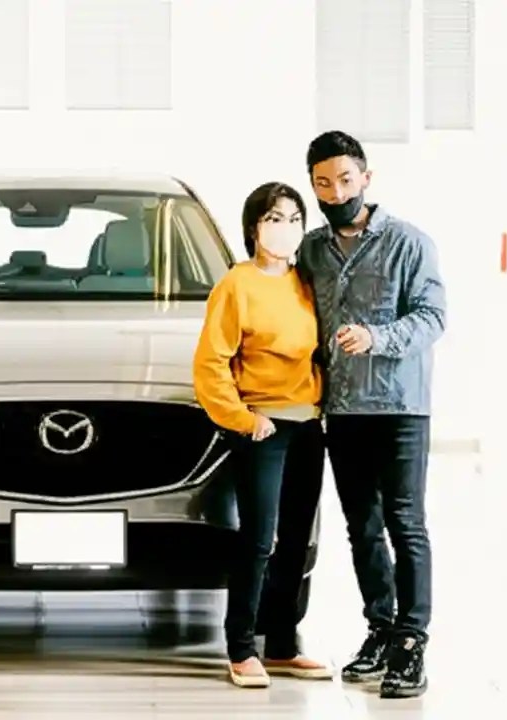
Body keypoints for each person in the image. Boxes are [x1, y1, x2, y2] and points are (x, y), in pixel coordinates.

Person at [296, 130, 447, 699]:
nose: (336, 191)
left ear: (367, 178)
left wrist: (377, 336)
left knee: (405, 524)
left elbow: (433, 316)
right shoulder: (311, 249)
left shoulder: (409, 243)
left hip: (401, 408)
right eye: (323, 184)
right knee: (362, 528)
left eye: (345, 179)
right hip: (342, 410)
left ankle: (413, 639)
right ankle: (380, 628)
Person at [192, 181, 332, 688]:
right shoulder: (237, 284)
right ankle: (240, 646)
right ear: (254, 226)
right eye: (275, 218)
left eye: (295, 218)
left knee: (295, 541)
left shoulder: (307, 282)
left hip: (307, 425)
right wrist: (245, 419)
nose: (286, 228)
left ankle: (283, 645)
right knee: (258, 540)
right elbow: (210, 363)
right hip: (261, 428)